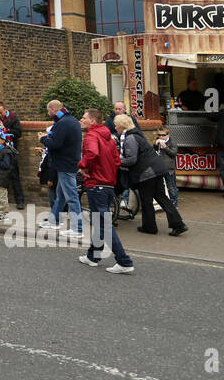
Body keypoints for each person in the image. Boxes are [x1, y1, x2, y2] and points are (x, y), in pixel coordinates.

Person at [78, 108, 134, 273]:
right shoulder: (108, 136)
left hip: (97, 184)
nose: (81, 120)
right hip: (108, 184)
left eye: (83, 117)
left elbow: (92, 153)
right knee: (100, 222)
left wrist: (82, 166)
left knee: (104, 224)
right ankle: (92, 256)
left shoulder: (91, 136)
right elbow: (117, 160)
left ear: (93, 121)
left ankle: (124, 262)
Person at [116, 114, 187, 236]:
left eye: (116, 125)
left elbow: (131, 159)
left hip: (146, 173)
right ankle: (178, 224)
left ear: (122, 126)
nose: (115, 127)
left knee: (146, 200)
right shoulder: (137, 135)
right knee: (162, 198)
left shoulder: (130, 138)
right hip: (157, 169)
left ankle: (150, 227)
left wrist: (116, 161)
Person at [40, 100, 84, 239]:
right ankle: (54, 221)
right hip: (68, 163)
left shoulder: (63, 123)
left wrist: (43, 138)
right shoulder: (70, 120)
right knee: (61, 196)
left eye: (48, 111)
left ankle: (77, 229)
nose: (48, 114)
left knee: (71, 197)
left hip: (65, 164)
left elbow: (55, 143)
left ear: (53, 109)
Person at [107, 101, 142, 212]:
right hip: (117, 153)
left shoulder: (130, 130)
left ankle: (123, 199)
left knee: (125, 177)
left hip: (124, 156)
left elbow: (137, 132)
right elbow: (106, 133)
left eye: (119, 109)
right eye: (116, 109)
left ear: (124, 109)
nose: (117, 111)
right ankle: (118, 201)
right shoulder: (110, 120)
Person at [153, 128, 179, 207]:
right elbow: (153, 151)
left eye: (163, 135)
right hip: (159, 167)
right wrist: (155, 145)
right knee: (160, 186)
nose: (161, 137)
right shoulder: (158, 140)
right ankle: (162, 203)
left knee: (171, 186)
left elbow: (173, 154)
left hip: (169, 168)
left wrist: (165, 147)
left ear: (168, 135)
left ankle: (174, 203)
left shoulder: (172, 142)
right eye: (159, 135)